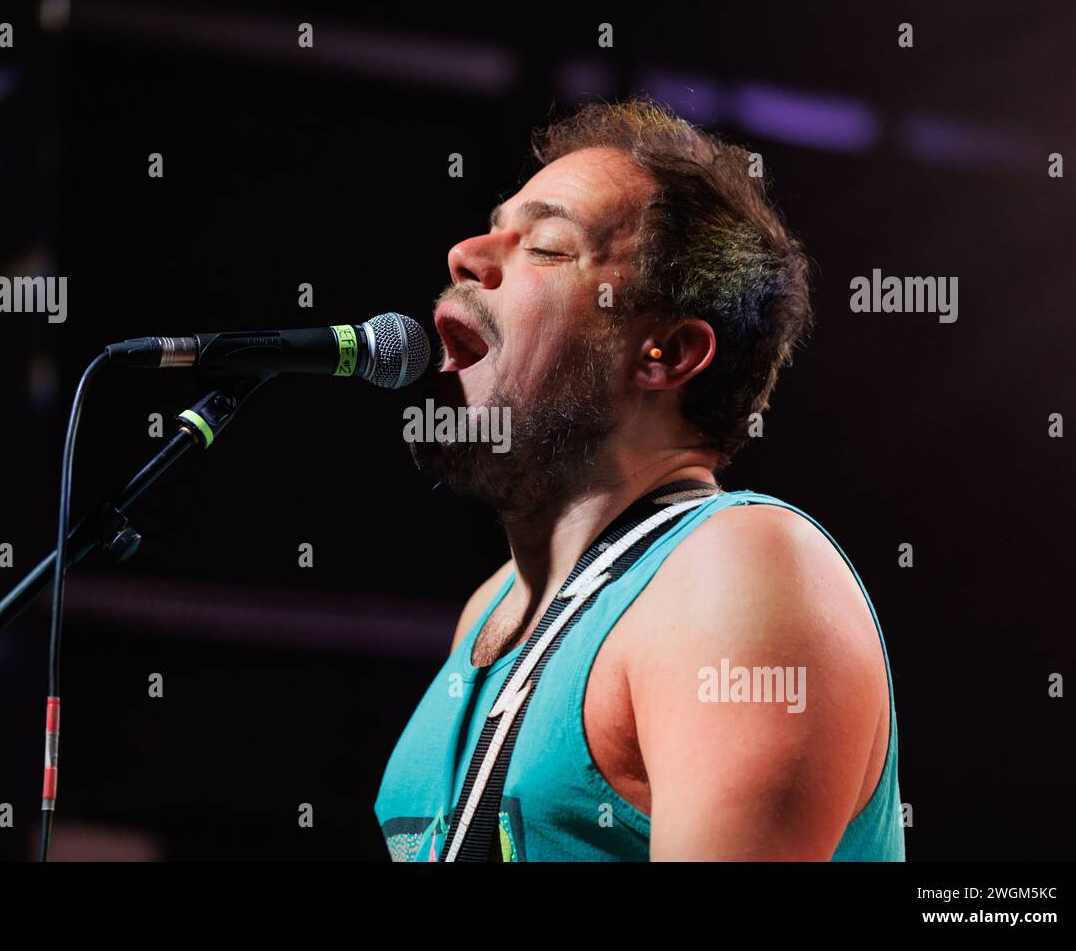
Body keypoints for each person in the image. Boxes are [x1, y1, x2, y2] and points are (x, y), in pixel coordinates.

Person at [375, 99, 903, 861]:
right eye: (493, 226)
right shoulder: (488, 609)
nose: (464, 255)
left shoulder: (738, 570)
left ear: (666, 353)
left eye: (546, 247)